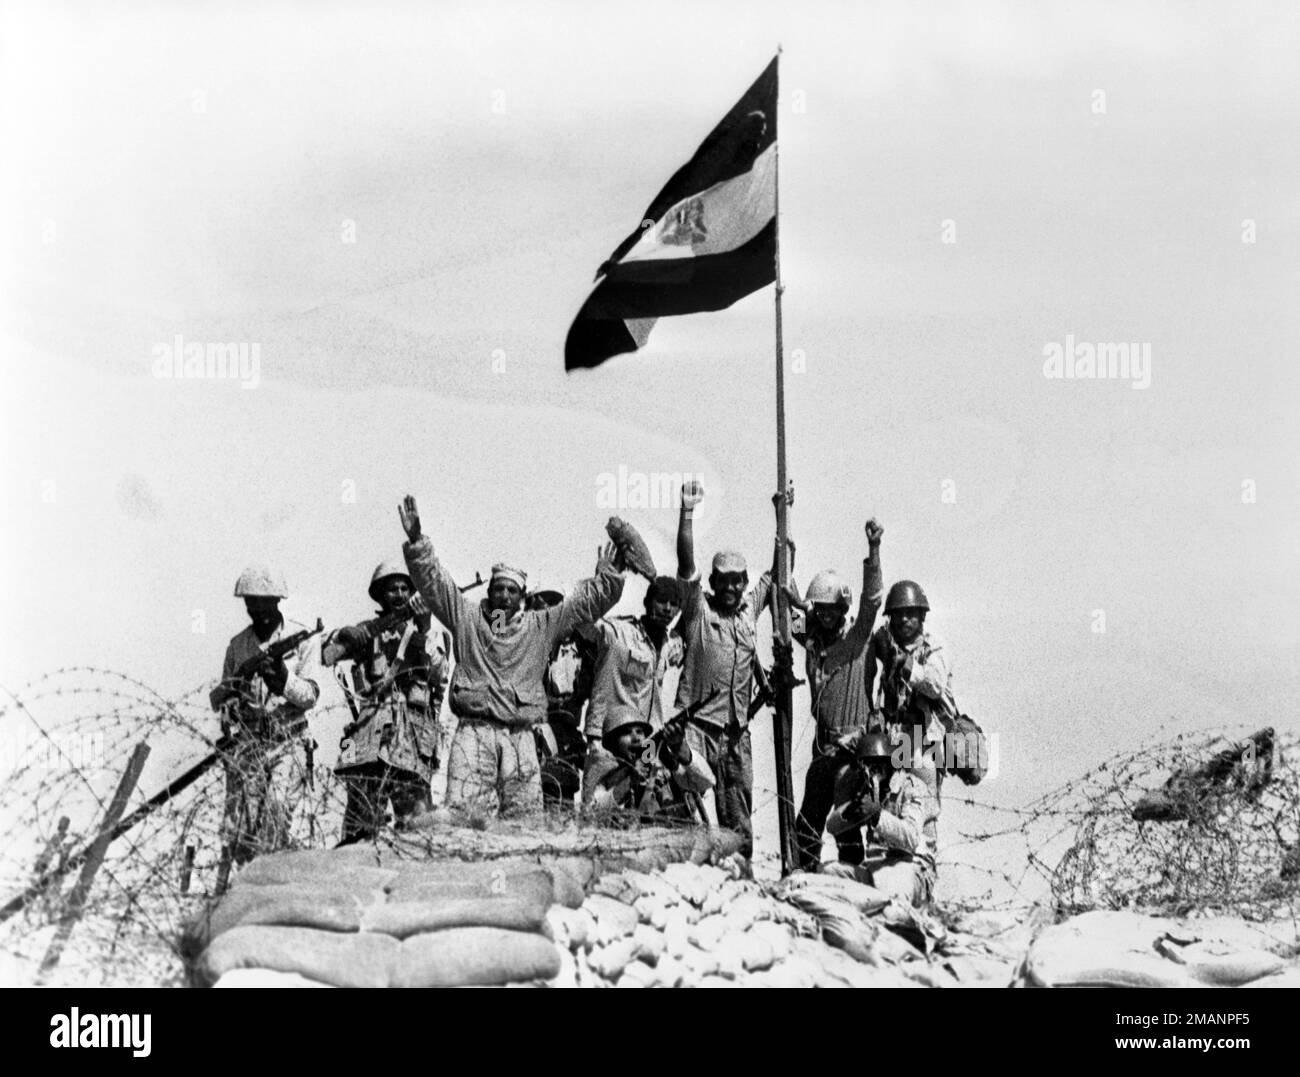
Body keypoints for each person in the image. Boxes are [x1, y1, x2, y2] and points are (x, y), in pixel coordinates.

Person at [398, 494, 625, 817]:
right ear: (489, 591)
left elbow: (584, 604)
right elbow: (436, 583)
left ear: (522, 597)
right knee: (464, 813)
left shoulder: (540, 625)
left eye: (511, 590)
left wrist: (611, 576)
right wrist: (417, 541)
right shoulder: (467, 618)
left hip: (521, 735)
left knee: (525, 818)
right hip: (474, 731)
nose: (504, 595)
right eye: (498, 588)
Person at [672, 480, 785, 866]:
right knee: (692, 813)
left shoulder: (749, 614)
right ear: (714, 583)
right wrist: (687, 512)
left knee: (738, 820)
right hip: (698, 730)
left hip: (736, 736)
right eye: (725, 580)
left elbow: (778, 574)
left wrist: (781, 514)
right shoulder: (699, 612)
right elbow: (686, 565)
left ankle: (742, 877)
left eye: (739, 580)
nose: (732, 586)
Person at [322, 560, 451, 844]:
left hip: (412, 737)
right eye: (392, 589)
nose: (400, 594)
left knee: (416, 824)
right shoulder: (370, 631)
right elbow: (325, 652)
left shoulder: (431, 632)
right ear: (381, 594)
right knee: (360, 823)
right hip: (369, 733)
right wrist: (343, 633)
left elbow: (440, 674)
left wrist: (423, 630)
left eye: (405, 588)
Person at [208, 564, 321, 875]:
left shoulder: (303, 640)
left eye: (265, 602)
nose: (258, 610)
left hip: (289, 740)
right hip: (250, 744)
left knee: (276, 814)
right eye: (251, 603)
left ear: (277, 601)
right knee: (242, 828)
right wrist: (238, 696)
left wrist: (283, 679)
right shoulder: (238, 646)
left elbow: (311, 696)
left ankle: (270, 884)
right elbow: (225, 704)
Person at [788, 517, 885, 871]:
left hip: (853, 750)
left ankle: (853, 885)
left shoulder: (856, 640)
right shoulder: (813, 642)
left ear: (842, 608)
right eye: (820, 609)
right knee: (807, 825)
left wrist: (873, 551)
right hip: (824, 750)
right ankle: (807, 878)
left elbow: (872, 601)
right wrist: (789, 530)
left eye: (832, 609)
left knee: (846, 829)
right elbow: (786, 603)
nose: (826, 615)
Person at [580, 575, 684, 802]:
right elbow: (585, 623)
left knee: (646, 808)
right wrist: (601, 585)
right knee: (598, 810)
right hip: (610, 742)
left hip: (647, 743)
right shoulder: (619, 633)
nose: (667, 609)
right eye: (661, 601)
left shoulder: (671, 644)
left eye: (673, 604)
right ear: (647, 602)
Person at [823, 727, 939, 907]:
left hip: (912, 868)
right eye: (867, 764)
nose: (873, 770)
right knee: (828, 872)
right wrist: (853, 808)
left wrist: (876, 815)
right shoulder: (871, 791)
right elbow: (831, 827)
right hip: (877, 868)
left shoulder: (911, 787)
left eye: (878, 764)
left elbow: (911, 838)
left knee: (890, 897)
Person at [868, 579, 955, 784]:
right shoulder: (889, 645)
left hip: (927, 744)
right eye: (898, 614)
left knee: (919, 804)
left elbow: (934, 686)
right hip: (896, 740)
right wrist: (800, 613)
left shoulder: (934, 647)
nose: (904, 620)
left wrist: (906, 665)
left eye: (910, 614)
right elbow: (802, 631)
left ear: (922, 615)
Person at [528, 587, 595, 807]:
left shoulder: (580, 647)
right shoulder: (527, 643)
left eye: (554, 603)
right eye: (541, 604)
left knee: (563, 791)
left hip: (566, 731)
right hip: (530, 728)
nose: (548, 610)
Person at [587, 706, 713, 823]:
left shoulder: (664, 769)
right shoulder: (609, 781)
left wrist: (680, 752)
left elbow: (707, 783)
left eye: (639, 732)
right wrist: (629, 782)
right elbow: (594, 815)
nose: (636, 738)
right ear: (613, 745)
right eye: (626, 733)